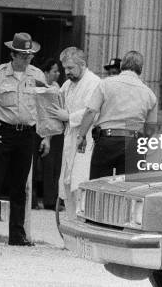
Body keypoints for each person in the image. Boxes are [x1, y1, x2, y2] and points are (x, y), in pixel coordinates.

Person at [0, 32, 50, 246]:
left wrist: (46, 137)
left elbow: (44, 108)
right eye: (23, 55)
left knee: (20, 187)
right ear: (13, 55)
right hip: (1, 133)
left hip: (27, 134)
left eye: (30, 55)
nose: (27, 59)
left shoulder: (37, 75)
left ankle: (17, 235)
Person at [77, 51, 158, 179]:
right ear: (141, 69)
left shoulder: (105, 84)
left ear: (122, 66)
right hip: (134, 143)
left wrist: (81, 136)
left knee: (99, 187)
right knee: (127, 191)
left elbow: (90, 111)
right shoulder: (150, 94)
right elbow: (150, 128)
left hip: (106, 141)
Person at [49, 47, 101, 218]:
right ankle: (69, 228)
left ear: (83, 64)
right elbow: (57, 101)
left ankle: (80, 225)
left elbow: (92, 111)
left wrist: (69, 116)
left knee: (80, 183)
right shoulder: (67, 84)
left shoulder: (94, 83)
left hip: (85, 139)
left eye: (70, 68)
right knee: (67, 183)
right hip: (69, 138)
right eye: (65, 68)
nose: (67, 72)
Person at [39, 58, 64, 210]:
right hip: (39, 127)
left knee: (52, 166)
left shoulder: (57, 87)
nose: (58, 74)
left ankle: (50, 200)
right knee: (35, 165)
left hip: (53, 130)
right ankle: (32, 198)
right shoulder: (39, 85)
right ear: (46, 72)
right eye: (55, 71)